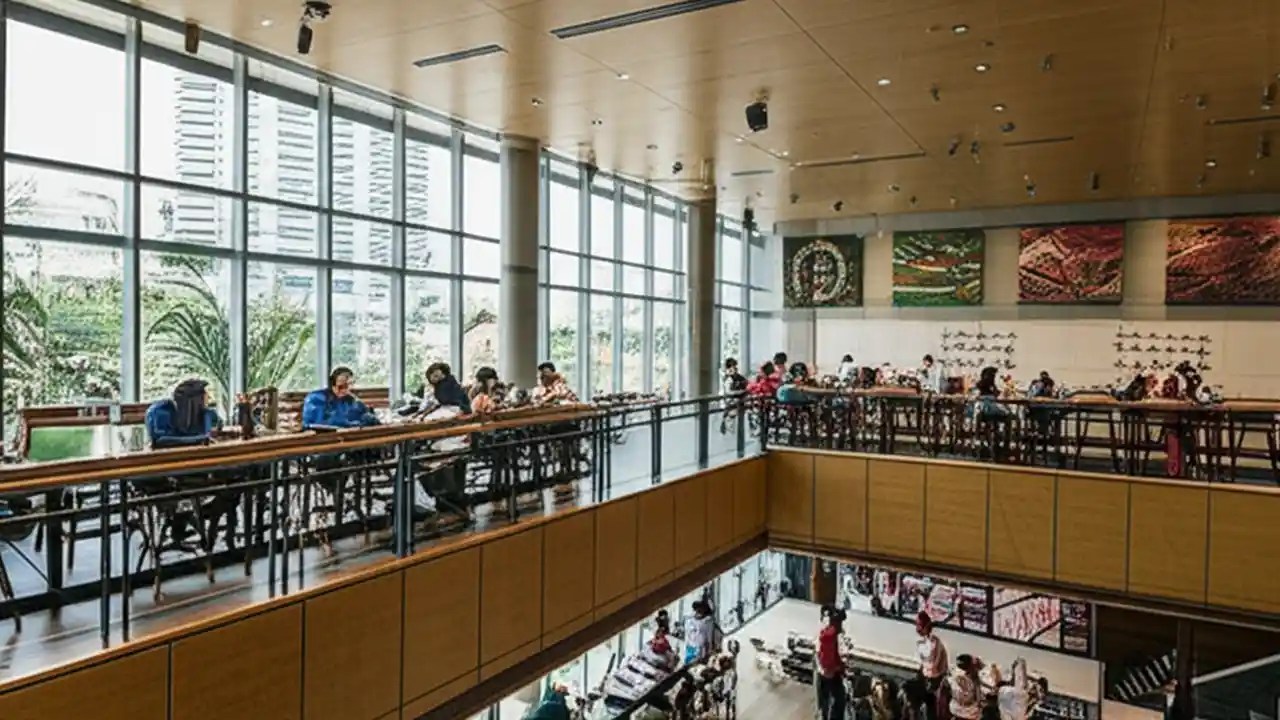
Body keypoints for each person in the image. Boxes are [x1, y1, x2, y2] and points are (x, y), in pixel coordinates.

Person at [146, 378, 221, 448]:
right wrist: (202, 438)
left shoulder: (206, 414)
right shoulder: (160, 412)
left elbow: (217, 427)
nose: (209, 398)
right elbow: (159, 441)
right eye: (204, 397)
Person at [302, 366, 380, 428]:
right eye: (341, 387)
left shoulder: (352, 401)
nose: (346, 390)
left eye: (349, 386)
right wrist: (354, 424)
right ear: (332, 385)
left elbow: (370, 419)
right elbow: (320, 423)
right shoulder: (316, 398)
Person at [815, 605, 848, 720]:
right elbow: (828, 661)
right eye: (840, 622)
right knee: (837, 702)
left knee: (825, 704)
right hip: (830, 675)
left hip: (827, 673)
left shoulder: (828, 633)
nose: (842, 625)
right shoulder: (831, 636)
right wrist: (839, 668)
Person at [915, 611, 949, 720]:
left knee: (932, 709)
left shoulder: (935, 643)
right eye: (916, 624)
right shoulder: (920, 642)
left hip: (936, 680)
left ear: (926, 626)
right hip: (926, 677)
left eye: (919, 625)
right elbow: (921, 661)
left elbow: (935, 665)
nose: (917, 628)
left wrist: (927, 668)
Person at [948, 654, 984, 720]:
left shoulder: (955, 677)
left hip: (955, 709)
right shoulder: (972, 680)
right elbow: (977, 698)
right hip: (969, 712)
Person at [683, 600, 717, 664]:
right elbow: (687, 637)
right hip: (691, 650)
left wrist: (709, 651)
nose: (700, 610)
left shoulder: (708, 622)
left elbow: (709, 638)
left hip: (703, 650)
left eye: (703, 608)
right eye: (698, 608)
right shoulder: (689, 621)